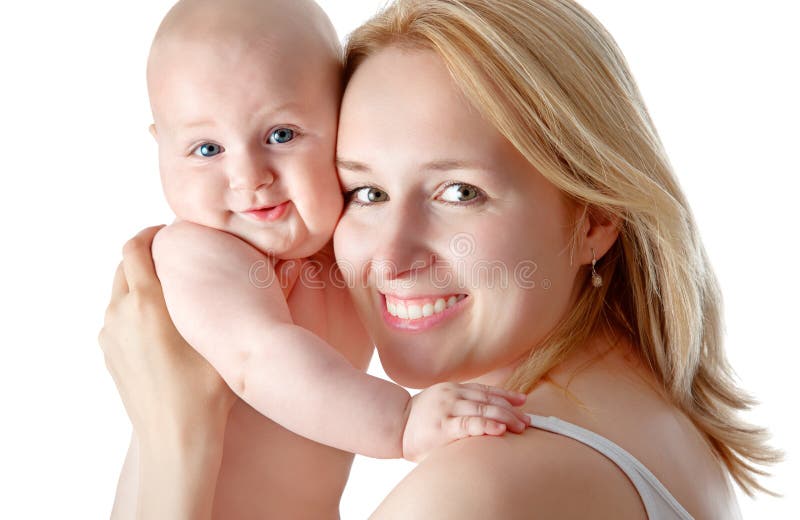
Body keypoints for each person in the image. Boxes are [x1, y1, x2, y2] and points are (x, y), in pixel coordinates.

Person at [100, 0, 783, 518]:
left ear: (594, 217)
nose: (389, 258)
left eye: (459, 192)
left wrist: (173, 438)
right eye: (365, 190)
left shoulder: (473, 493)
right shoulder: (659, 423)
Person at [106, 0, 533, 517]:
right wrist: (403, 422)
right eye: (206, 149)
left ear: (338, 126)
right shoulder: (196, 253)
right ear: (160, 144)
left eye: (280, 135)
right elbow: (257, 358)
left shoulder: (344, 240)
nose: (250, 177)